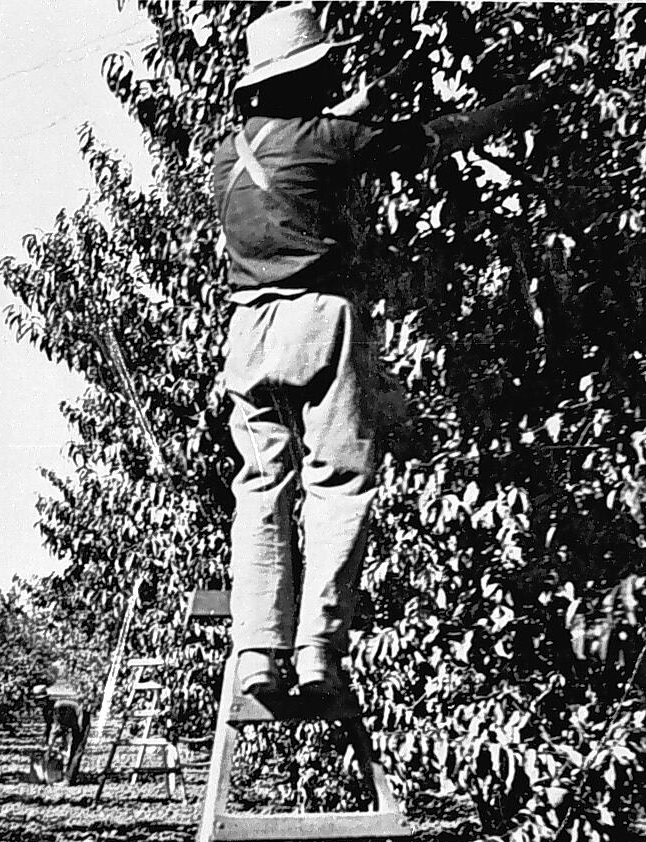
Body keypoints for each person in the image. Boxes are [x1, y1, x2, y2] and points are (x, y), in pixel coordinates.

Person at [213, 5, 547, 697]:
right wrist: (517, 106)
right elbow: (429, 139)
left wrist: (371, 95)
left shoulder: (229, 156)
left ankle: (256, 652)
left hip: (247, 333)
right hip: (320, 321)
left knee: (260, 489)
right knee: (337, 483)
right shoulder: (332, 139)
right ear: (308, 79)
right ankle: (317, 651)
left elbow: (306, 137)